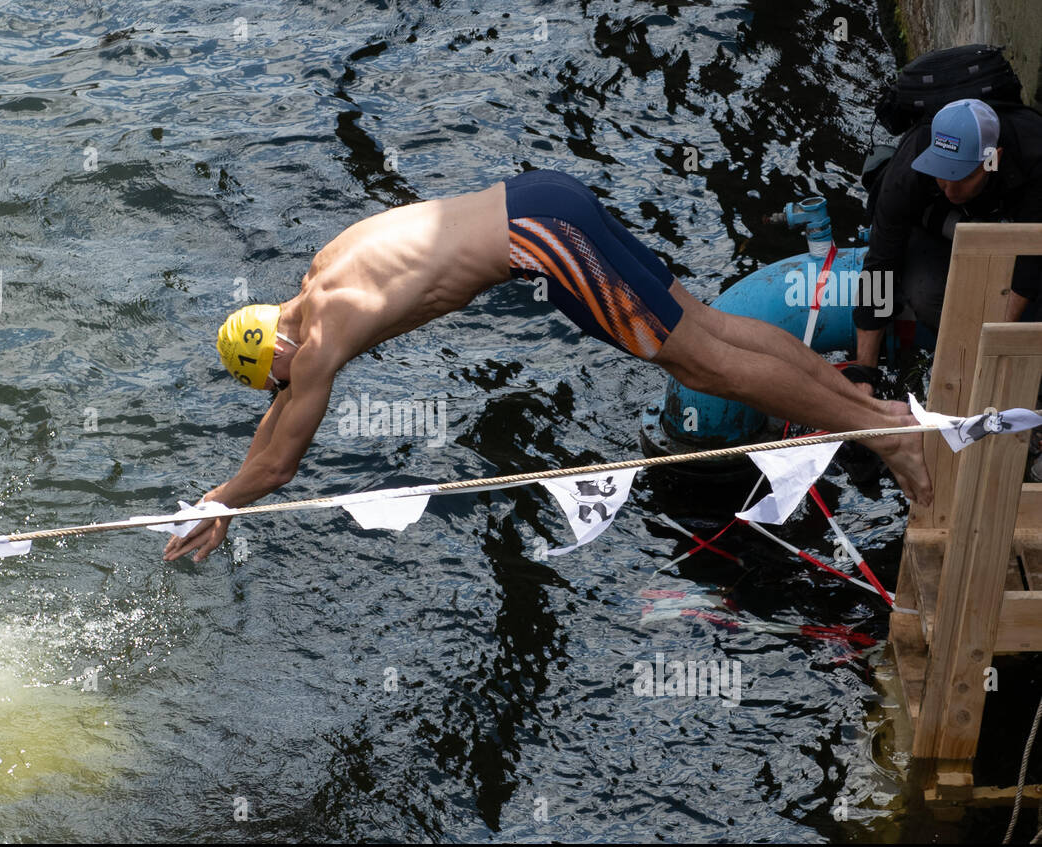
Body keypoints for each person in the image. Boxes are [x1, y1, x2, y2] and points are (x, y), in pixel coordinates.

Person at [165, 169, 931, 563]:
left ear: (280, 355)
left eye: (281, 383)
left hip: (542, 242)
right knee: (714, 326)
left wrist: (222, 502)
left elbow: (280, 463)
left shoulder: (326, 336)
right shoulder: (323, 274)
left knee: (704, 367)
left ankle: (885, 436)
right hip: (544, 195)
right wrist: (223, 486)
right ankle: (880, 414)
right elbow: (277, 419)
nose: (291, 392)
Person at [852, 98, 1042, 388]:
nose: (951, 188)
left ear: (994, 158)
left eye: (962, 176)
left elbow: (1032, 262)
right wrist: (864, 372)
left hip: (1016, 215)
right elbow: (881, 262)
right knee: (926, 295)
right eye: (943, 173)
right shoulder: (910, 170)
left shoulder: (1033, 157)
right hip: (939, 225)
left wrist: (996, 340)